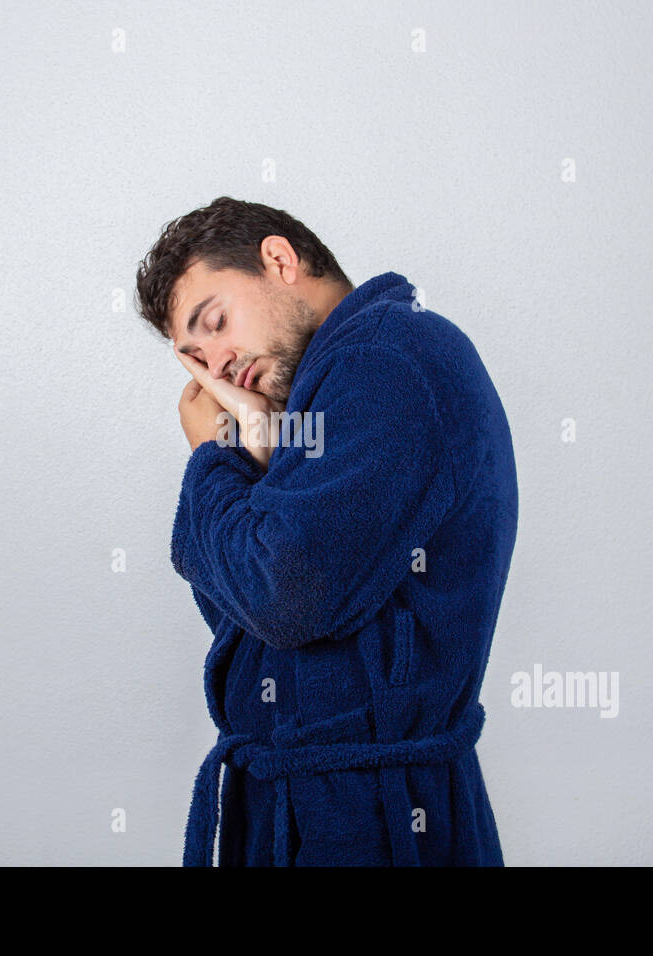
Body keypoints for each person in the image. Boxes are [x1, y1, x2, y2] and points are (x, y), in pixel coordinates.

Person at [134, 196, 519, 866]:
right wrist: (256, 454)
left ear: (279, 260)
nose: (216, 366)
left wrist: (211, 461)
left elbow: (283, 596)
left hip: (370, 823)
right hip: (318, 804)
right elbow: (247, 622)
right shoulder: (318, 405)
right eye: (194, 357)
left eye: (216, 322)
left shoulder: (384, 360)